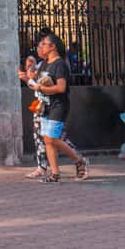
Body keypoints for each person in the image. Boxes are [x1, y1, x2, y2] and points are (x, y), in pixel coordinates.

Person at [33, 32, 88, 182]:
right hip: (46, 105)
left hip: (58, 105)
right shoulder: (44, 64)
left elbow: (61, 88)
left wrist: (42, 89)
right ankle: (55, 174)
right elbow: (37, 81)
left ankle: (79, 160)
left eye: (44, 44)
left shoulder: (60, 64)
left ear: (53, 47)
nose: (41, 47)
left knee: (52, 139)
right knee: (48, 140)